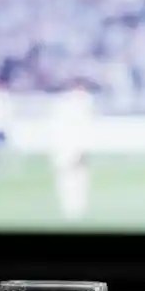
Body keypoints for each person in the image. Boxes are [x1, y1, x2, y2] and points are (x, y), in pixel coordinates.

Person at [47, 79, 95, 221]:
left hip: (74, 145)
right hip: (66, 146)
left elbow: (86, 129)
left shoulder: (81, 105)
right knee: (68, 177)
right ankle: (71, 208)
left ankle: (76, 208)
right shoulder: (67, 106)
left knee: (78, 177)